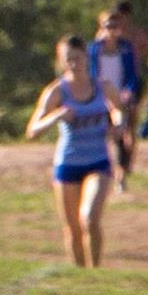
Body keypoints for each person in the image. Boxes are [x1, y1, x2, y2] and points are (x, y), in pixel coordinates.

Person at [25, 36, 119, 268]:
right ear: (61, 62)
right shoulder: (56, 91)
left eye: (77, 58)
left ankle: (95, 271)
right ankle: (80, 276)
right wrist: (55, 116)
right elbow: (32, 130)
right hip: (67, 163)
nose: (74, 64)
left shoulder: (102, 86)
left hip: (98, 160)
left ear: (87, 57)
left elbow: (118, 108)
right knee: (73, 229)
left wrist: (119, 124)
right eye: (68, 60)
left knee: (89, 218)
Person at [89, 8, 143, 193]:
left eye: (115, 25)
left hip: (120, 99)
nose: (111, 30)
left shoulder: (126, 48)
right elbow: (91, 74)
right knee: (99, 136)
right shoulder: (93, 50)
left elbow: (133, 75)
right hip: (99, 98)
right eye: (107, 26)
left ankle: (120, 176)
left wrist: (128, 91)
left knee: (121, 136)